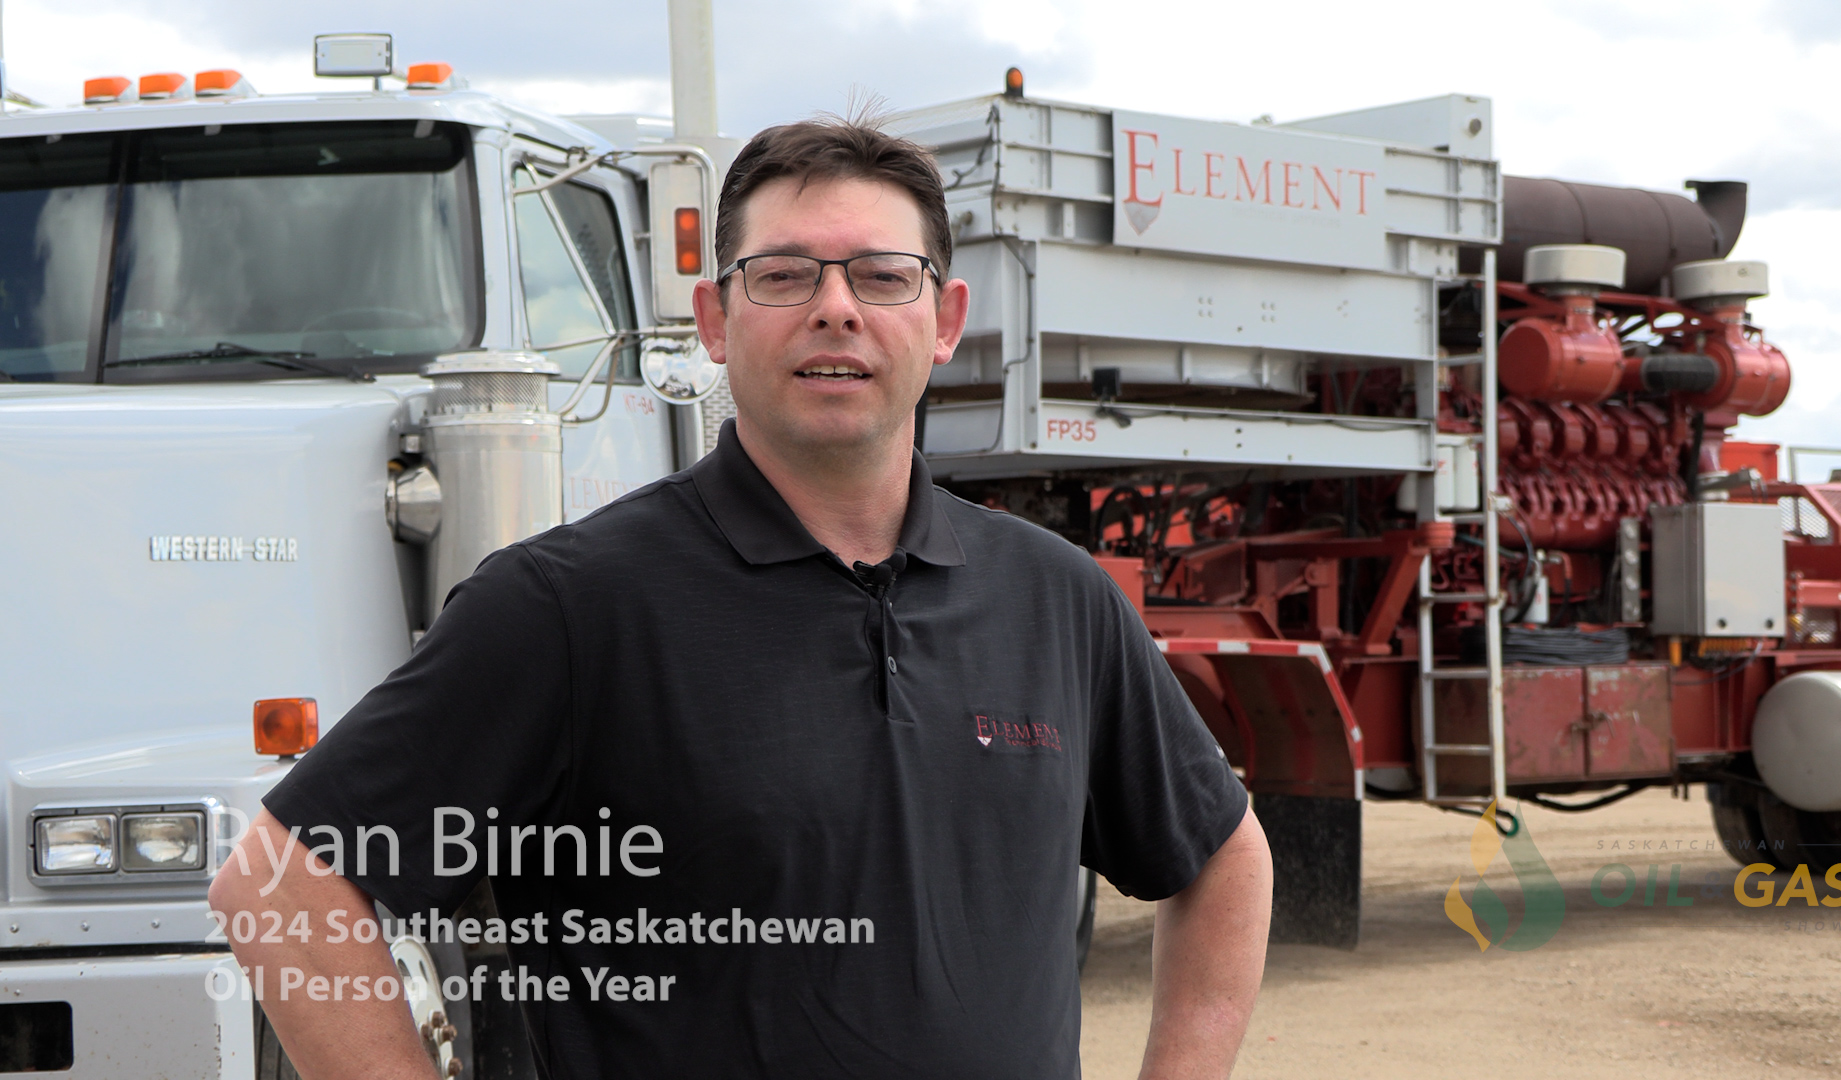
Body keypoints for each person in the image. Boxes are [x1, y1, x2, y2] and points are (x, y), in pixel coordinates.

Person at [211, 115, 1273, 1080]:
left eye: (882, 276)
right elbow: (280, 885)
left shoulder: (1057, 600)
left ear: (944, 319)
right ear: (716, 319)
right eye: (784, 276)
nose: (837, 309)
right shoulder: (572, 610)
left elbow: (1223, 853)